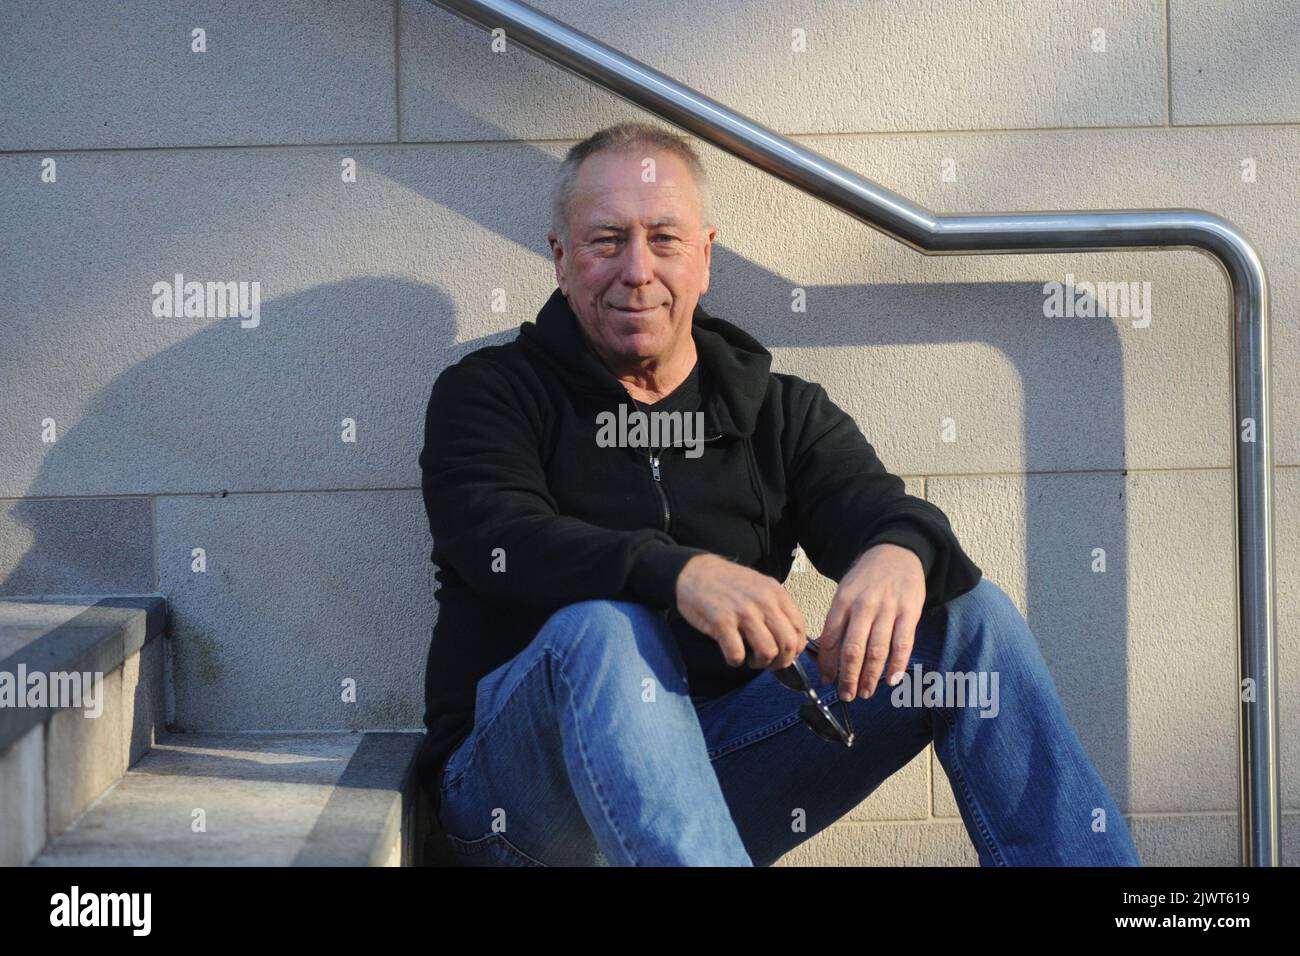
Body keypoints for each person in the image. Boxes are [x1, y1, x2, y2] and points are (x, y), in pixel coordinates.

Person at [414, 122, 1140, 867]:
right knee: (604, 628)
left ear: (705, 258)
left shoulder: (775, 409)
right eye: (606, 241)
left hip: (718, 774)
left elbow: (878, 506)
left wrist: (901, 550)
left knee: (967, 619)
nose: (636, 270)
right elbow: (499, 538)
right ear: (562, 259)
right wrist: (679, 572)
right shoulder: (490, 394)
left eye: (664, 239)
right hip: (526, 809)